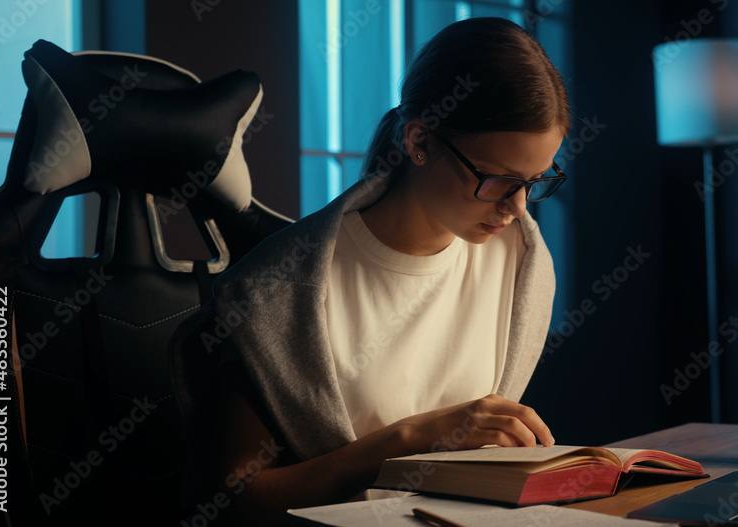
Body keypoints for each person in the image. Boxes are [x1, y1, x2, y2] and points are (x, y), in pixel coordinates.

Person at [170, 16, 571, 524]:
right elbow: (230, 500)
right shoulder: (284, 290)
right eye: (497, 180)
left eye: (536, 181)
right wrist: (412, 439)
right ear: (420, 140)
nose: (517, 207)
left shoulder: (523, 266)